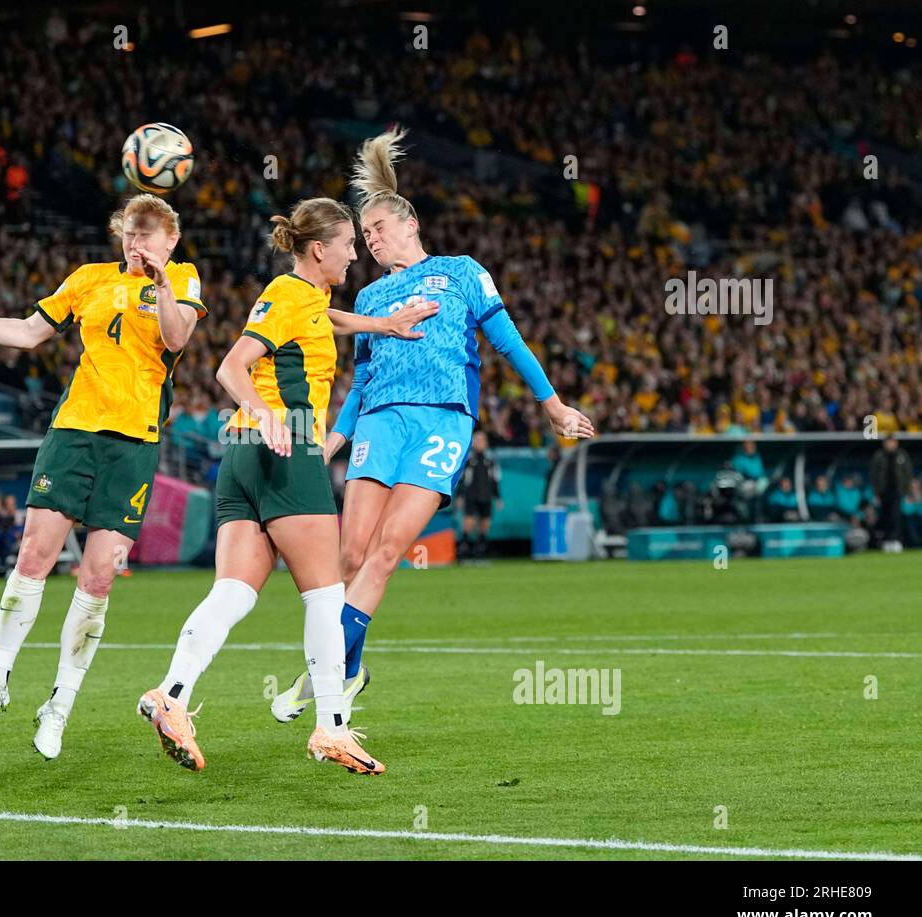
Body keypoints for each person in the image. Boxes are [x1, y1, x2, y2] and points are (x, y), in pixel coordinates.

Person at [270, 129, 593, 724]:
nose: (369, 242)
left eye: (378, 231)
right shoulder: (368, 296)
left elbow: (509, 342)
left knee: (390, 551)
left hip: (443, 421)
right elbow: (361, 379)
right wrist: (337, 436)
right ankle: (345, 669)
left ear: (410, 225)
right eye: (362, 236)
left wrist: (552, 404)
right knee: (348, 556)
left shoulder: (463, 271)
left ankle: (325, 678)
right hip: (379, 422)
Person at [0, 193, 208, 760]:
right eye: (129, 232)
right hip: (73, 433)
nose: (136, 242)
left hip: (134, 444)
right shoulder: (88, 279)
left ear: (171, 241)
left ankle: (59, 709)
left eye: (148, 234)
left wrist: (163, 284)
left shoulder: (184, 280)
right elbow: (26, 333)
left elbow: (177, 338)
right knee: (33, 557)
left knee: (97, 580)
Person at [138, 197, 435, 774]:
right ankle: (331, 728)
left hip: (243, 457)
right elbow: (231, 367)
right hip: (286, 446)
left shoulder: (307, 300)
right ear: (320, 250)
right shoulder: (290, 293)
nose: (355, 255)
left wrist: (384, 325)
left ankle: (170, 697)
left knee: (234, 592)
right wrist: (268, 414)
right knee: (326, 596)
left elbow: (326, 320)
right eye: (349, 244)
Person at [457, 429, 498, 559]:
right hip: (471, 495)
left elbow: (494, 479)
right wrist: (460, 496)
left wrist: (497, 496)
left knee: (485, 522)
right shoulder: (468, 460)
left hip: (486, 496)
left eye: (482, 440)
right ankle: (464, 546)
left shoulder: (490, 461)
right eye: (478, 440)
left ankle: (481, 546)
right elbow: (463, 480)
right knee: (469, 521)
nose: (480, 443)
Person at [870, 436, 914, 553]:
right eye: (887, 442)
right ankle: (886, 541)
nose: (890, 444)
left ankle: (896, 540)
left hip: (897, 490)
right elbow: (874, 475)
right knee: (885, 516)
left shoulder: (902, 455)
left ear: (896, 443)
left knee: (895, 516)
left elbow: (908, 473)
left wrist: (906, 491)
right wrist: (876, 491)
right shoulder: (879, 456)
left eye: (892, 442)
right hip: (883, 491)